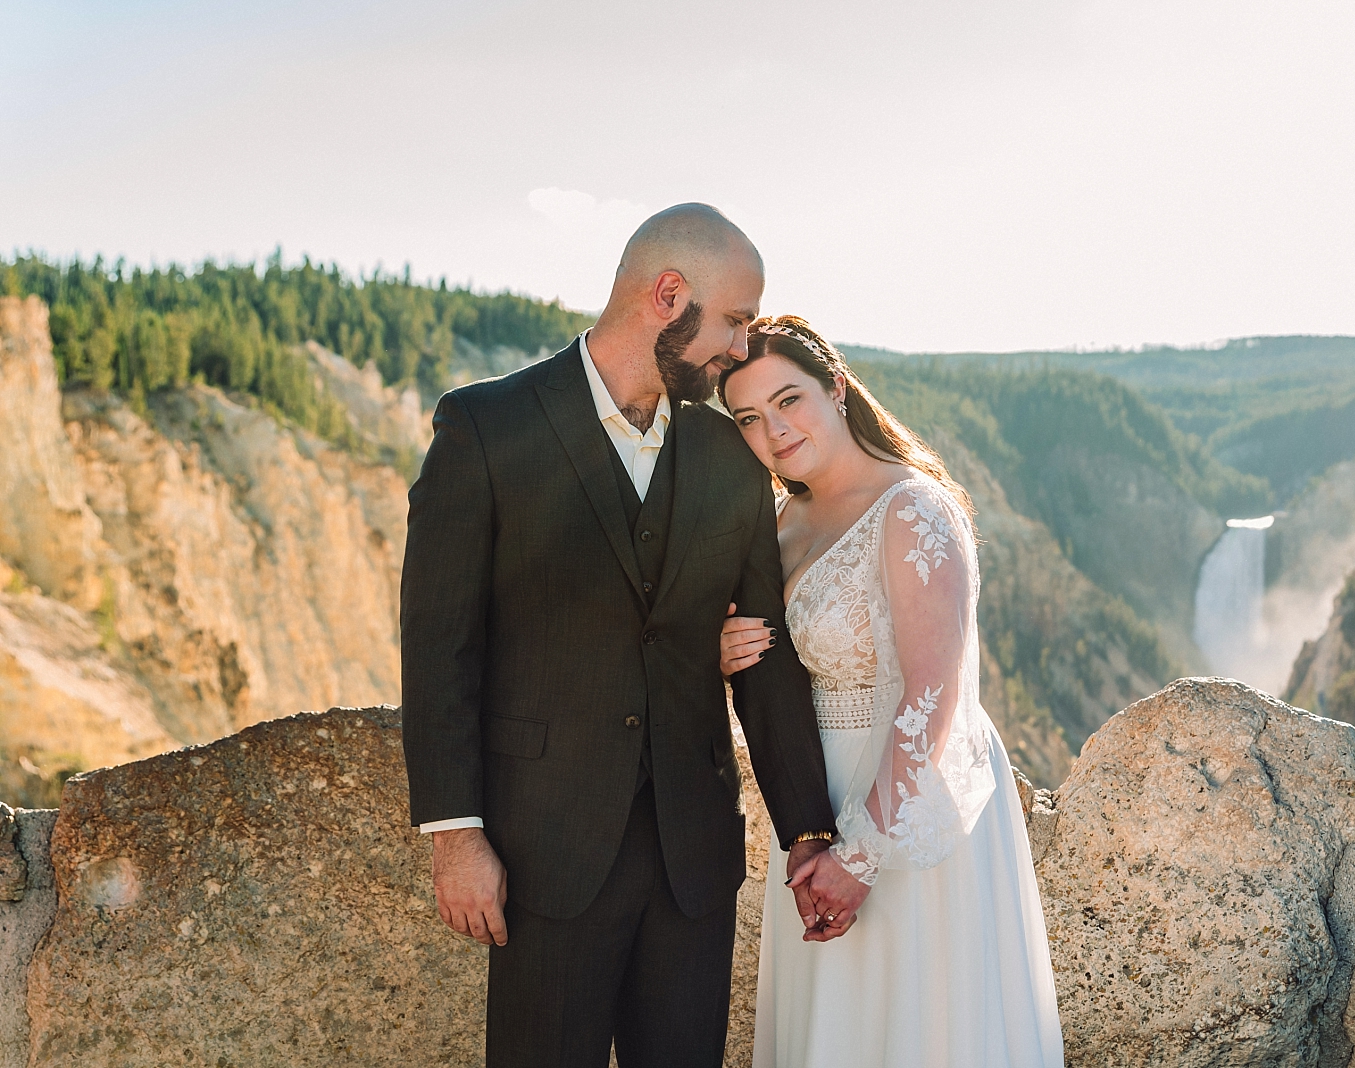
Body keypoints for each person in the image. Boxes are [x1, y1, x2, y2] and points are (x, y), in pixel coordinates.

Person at [400, 205, 862, 1068]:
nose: (739, 346)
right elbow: (438, 647)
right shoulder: (487, 428)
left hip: (694, 859)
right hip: (544, 852)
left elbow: (763, 657)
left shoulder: (731, 456)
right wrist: (455, 836)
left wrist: (809, 826)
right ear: (668, 294)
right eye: (732, 321)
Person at [717, 316, 1065, 1068]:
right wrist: (719, 650)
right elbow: (775, 670)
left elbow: (933, 697)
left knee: (916, 1022)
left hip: (908, 803)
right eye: (749, 418)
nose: (774, 431)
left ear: (836, 388)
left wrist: (864, 855)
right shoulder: (781, 523)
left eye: (789, 401)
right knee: (833, 1027)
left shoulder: (912, 510)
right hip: (812, 802)